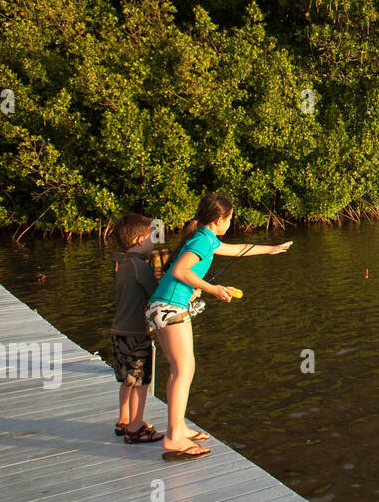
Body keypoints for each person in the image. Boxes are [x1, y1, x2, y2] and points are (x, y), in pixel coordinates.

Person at [147, 192, 293, 461]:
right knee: (184, 369)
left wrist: (271, 249)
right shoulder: (203, 241)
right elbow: (181, 271)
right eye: (229, 218)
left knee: (180, 370)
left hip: (161, 306)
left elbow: (238, 249)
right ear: (218, 219)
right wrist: (212, 289)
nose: (230, 222)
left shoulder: (205, 237)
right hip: (171, 306)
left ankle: (177, 428)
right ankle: (174, 436)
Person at [110, 213, 163, 443]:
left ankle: (124, 420)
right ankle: (135, 428)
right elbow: (156, 293)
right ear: (140, 240)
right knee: (141, 381)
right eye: (152, 237)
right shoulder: (141, 267)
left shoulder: (122, 263)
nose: (154, 242)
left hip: (118, 331)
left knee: (126, 379)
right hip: (136, 333)